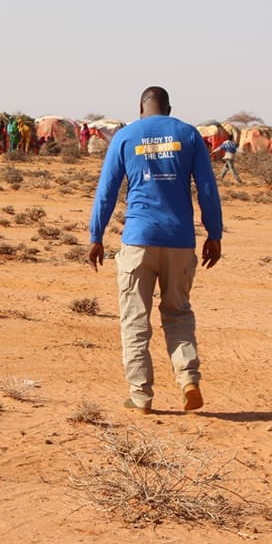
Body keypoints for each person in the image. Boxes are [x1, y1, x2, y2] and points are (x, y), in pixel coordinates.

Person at [88, 86, 223, 415]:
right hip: (179, 241)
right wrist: (214, 234)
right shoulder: (188, 134)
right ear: (169, 108)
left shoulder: (125, 136)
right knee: (178, 313)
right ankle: (188, 379)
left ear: (140, 109)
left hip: (138, 241)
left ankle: (140, 396)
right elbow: (207, 189)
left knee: (135, 320)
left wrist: (96, 235)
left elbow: (107, 191)